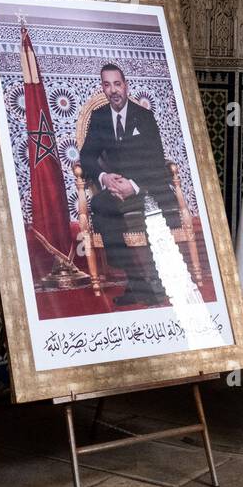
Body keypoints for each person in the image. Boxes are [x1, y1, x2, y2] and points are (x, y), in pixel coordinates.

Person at [79, 63, 178, 305]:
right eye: (107, 84)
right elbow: (87, 156)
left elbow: (155, 159)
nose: (113, 90)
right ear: (103, 88)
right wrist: (105, 178)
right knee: (100, 205)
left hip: (146, 186)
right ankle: (137, 281)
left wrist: (132, 185)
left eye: (117, 84)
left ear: (126, 85)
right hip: (115, 189)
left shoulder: (144, 116)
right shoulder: (100, 117)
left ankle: (156, 281)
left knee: (153, 210)